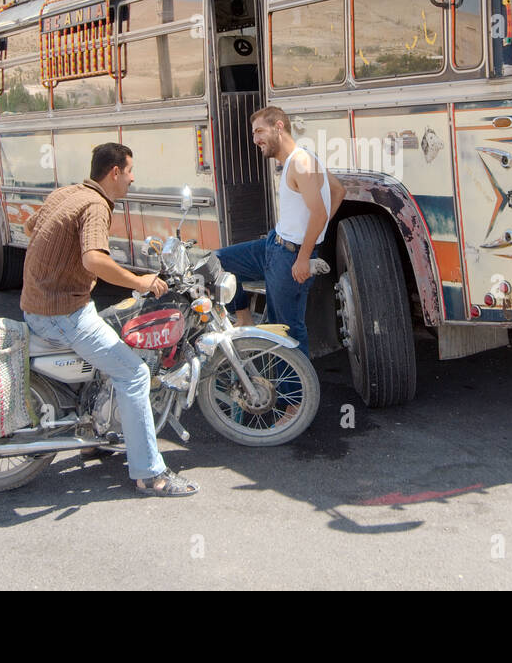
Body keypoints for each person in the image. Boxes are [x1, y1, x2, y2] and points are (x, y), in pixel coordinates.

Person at [20, 142, 198, 496]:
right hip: (62, 314)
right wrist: (139, 282)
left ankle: (92, 437)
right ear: (114, 172)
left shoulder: (66, 193)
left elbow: (30, 227)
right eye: (130, 171)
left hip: (40, 305)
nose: (133, 178)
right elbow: (94, 261)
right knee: (134, 373)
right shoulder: (96, 205)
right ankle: (150, 474)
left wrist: (56, 266)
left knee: (113, 337)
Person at [215, 106, 345, 363]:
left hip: (290, 256)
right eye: (253, 134)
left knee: (286, 330)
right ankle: (243, 318)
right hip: (274, 245)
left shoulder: (300, 162)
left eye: (259, 131)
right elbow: (338, 192)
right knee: (216, 263)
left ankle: (295, 401)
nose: (255, 140)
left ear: (279, 127)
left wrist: (304, 255)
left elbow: (319, 212)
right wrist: (311, 229)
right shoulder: (303, 158)